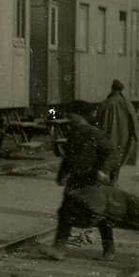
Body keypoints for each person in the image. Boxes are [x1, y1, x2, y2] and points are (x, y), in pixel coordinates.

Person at [40, 102, 120, 260]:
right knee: (65, 213)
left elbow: (112, 152)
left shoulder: (94, 133)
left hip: (93, 181)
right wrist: (62, 175)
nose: (69, 118)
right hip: (76, 180)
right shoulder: (74, 133)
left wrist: (103, 170)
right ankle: (59, 248)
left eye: (72, 115)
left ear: (81, 117)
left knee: (101, 215)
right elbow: (68, 157)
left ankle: (109, 248)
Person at [96, 80, 139, 185]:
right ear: (120, 90)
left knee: (108, 156)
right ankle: (113, 181)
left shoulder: (106, 103)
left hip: (109, 135)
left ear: (112, 89)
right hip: (124, 136)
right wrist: (135, 135)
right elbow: (134, 120)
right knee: (118, 158)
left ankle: (105, 180)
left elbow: (98, 118)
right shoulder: (127, 103)